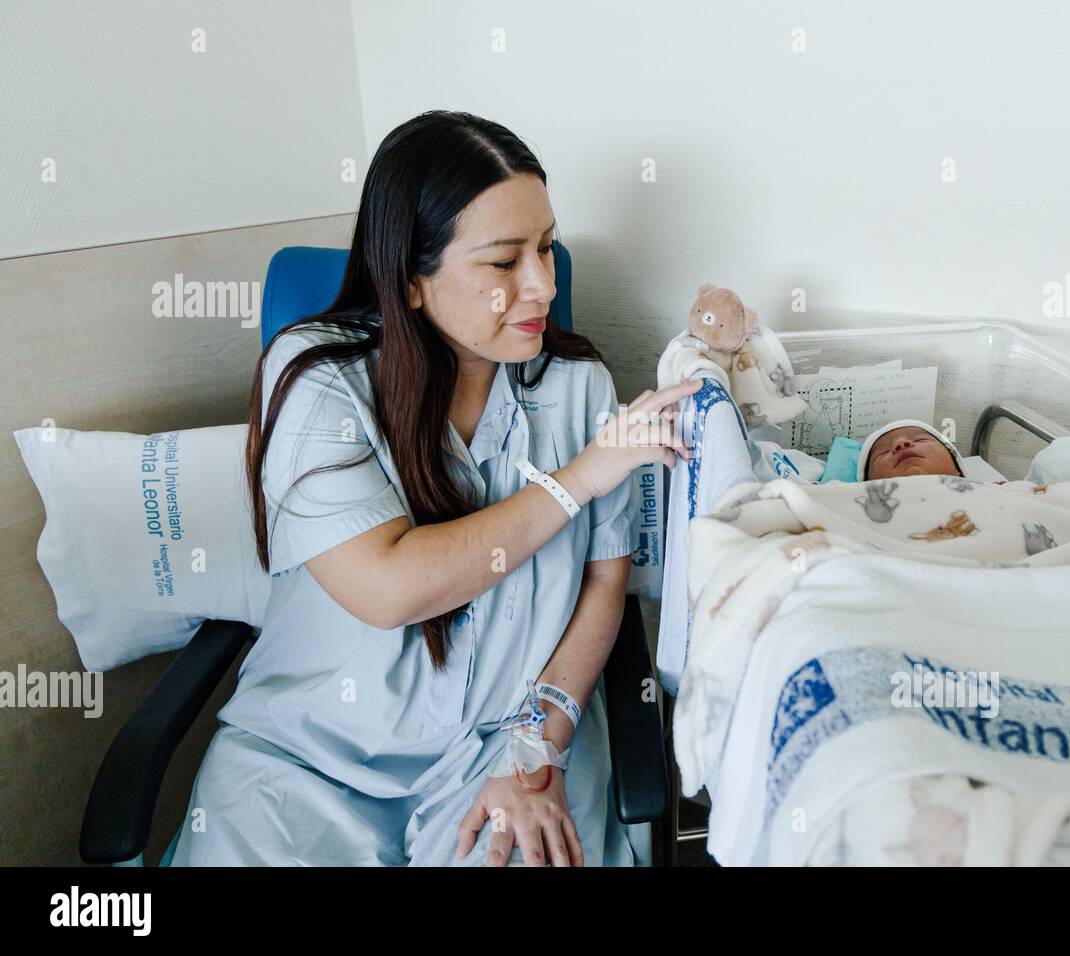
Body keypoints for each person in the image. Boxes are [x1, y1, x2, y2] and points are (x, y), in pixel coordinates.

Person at [170, 110, 701, 867]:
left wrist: (535, 745)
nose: (543, 285)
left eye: (547, 249)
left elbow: (603, 584)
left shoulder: (579, 388)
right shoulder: (319, 380)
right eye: (503, 262)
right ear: (412, 281)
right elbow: (390, 586)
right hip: (307, 758)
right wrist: (577, 480)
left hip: (502, 748)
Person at [858, 419, 966, 481]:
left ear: (958, 469)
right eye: (884, 451)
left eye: (920, 439)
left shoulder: (981, 497)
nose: (900, 443)